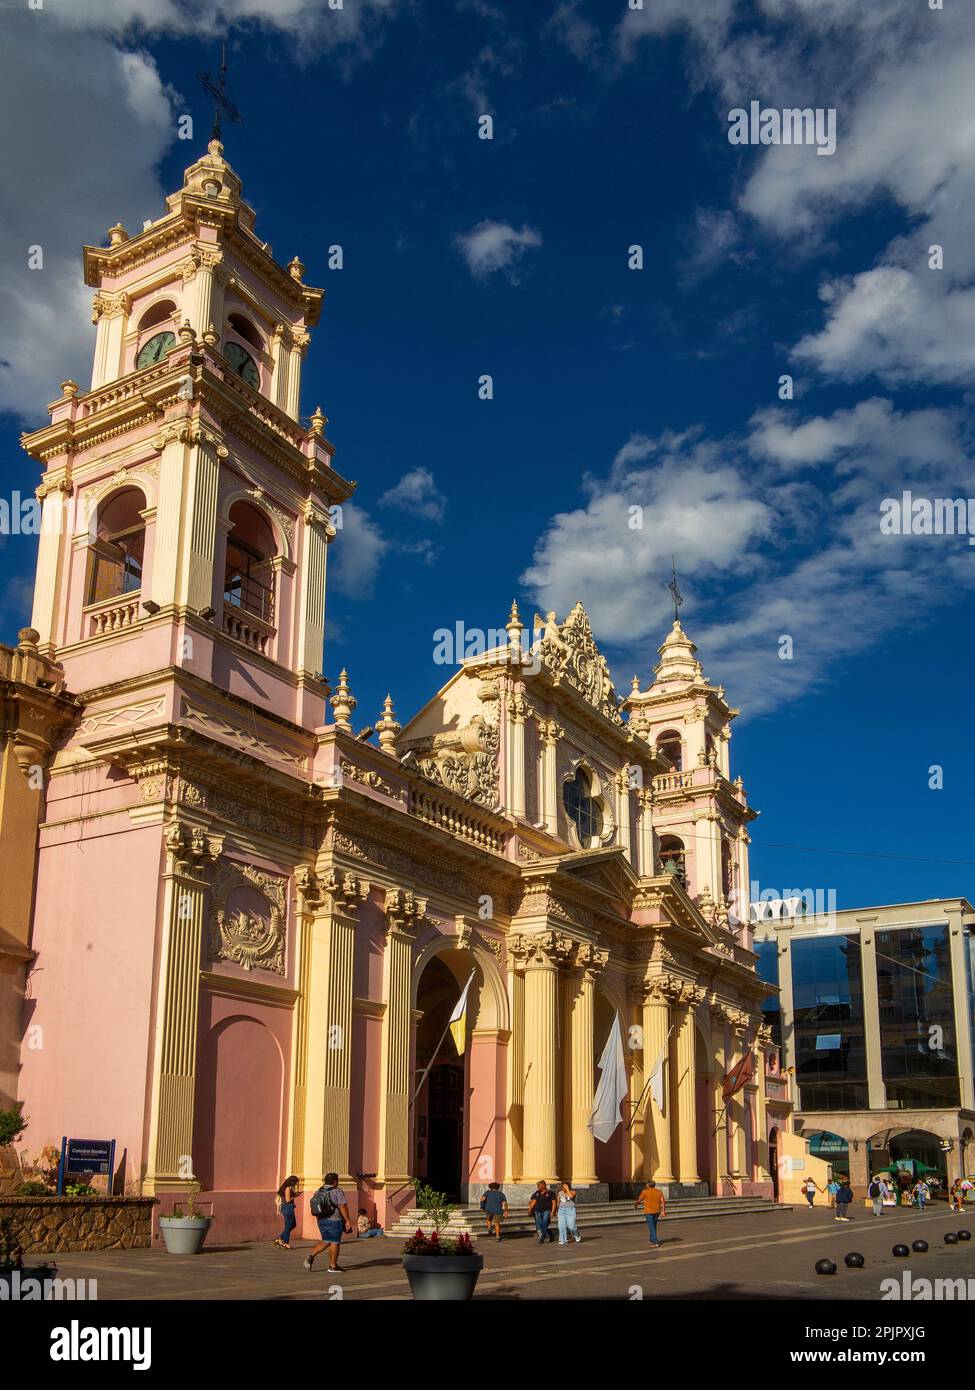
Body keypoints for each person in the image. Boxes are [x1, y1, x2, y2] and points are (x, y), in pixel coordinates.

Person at [303, 1172, 352, 1273]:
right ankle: (333, 1266)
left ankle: (310, 1256)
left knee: (326, 1240)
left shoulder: (318, 1191)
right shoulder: (337, 1191)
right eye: (337, 1180)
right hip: (334, 1220)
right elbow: (342, 1206)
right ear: (334, 1181)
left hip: (321, 1219)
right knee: (335, 1242)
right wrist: (347, 1220)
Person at [634, 1178, 666, 1248]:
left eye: (646, 1184)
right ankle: (651, 1239)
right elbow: (663, 1201)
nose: (646, 1185)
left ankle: (655, 1242)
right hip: (657, 1211)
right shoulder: (659, 1192)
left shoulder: (645, 1191)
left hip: (648, 1212)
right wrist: (663, 1211)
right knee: (654, 1226)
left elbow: (639, 1200)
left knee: (652, 1227)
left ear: (648, 1185)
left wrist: (635, 1205)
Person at [274, 1175, 299, 1248]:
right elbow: (288, 1200)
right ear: (292, 1182)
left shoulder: (286, 1187)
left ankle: (279, 1238)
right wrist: (295, 1196)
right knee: (288, 1225)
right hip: (287, 1207)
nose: (295, 1184)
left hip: (287, 1207)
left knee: (293, 1224)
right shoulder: (287, 1188)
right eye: (295, 1183)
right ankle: (286, 1243)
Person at [555, 1181, 582, 1246]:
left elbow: (571, 1197)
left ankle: (577, 1234)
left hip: (570, 1210)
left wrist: (567, 1189)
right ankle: (562, 1240)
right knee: (561, 1226)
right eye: (563, 1187)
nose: (563, 1188)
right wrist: (556, 1210)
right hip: (561, 1211)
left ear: (568, 1186)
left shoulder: (573, 1192)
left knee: (571, 1226)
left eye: (565, 1186)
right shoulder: (559, 1193)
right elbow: (558, 1202)